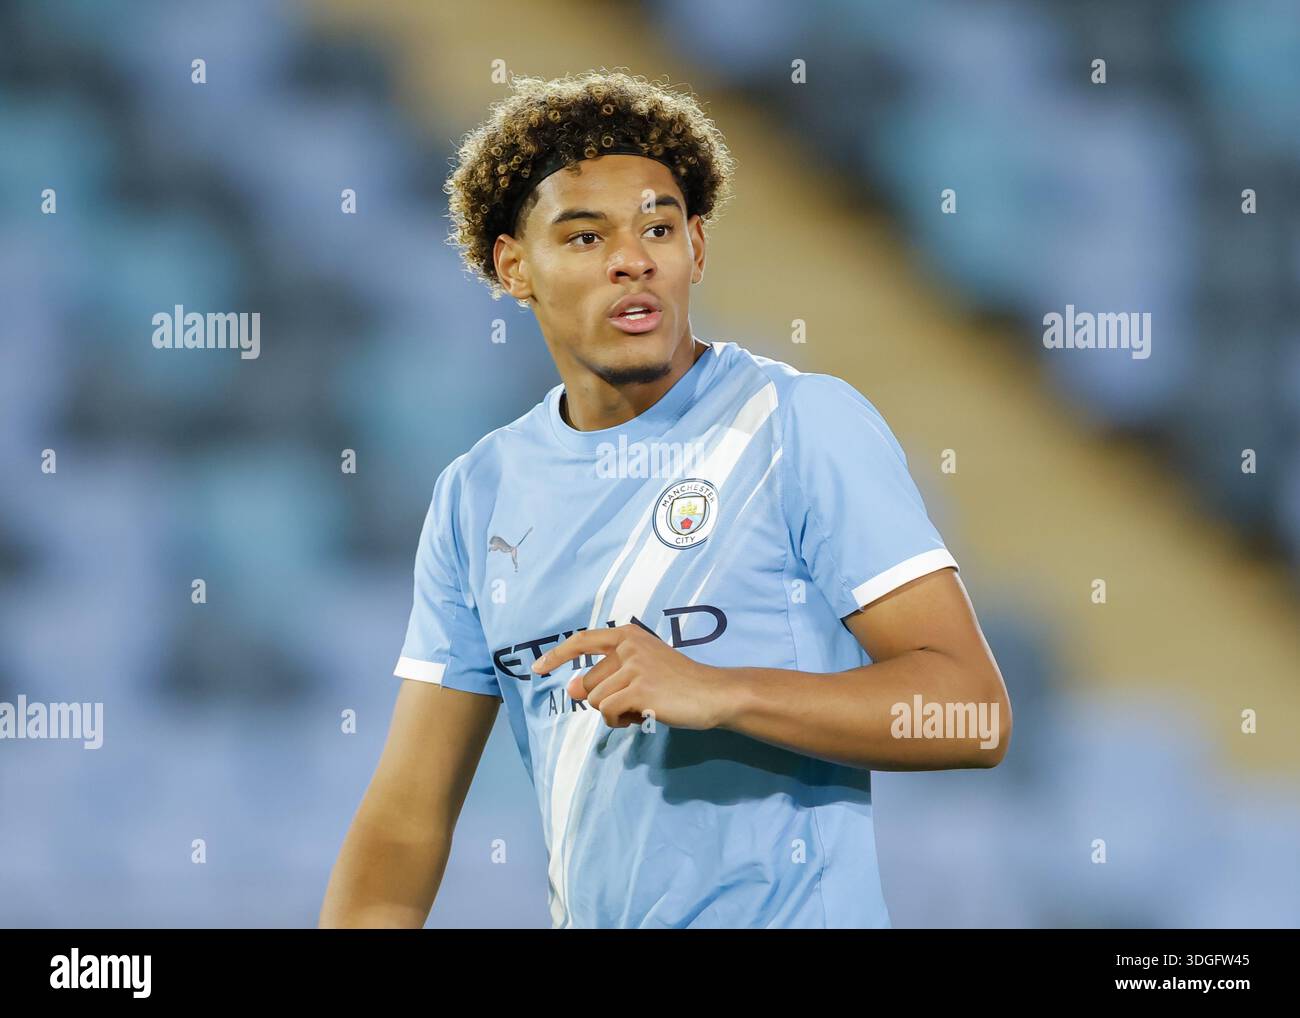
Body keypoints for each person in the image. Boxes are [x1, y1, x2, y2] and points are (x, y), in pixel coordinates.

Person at [320, 70, 1011, 929]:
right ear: (512, 266)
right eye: (583, 237)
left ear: (697, 248)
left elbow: (974, 716)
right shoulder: (477, 493)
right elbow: (405, 821)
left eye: (659, 226)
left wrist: (723, 693)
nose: (632, 258)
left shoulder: (796, 424)